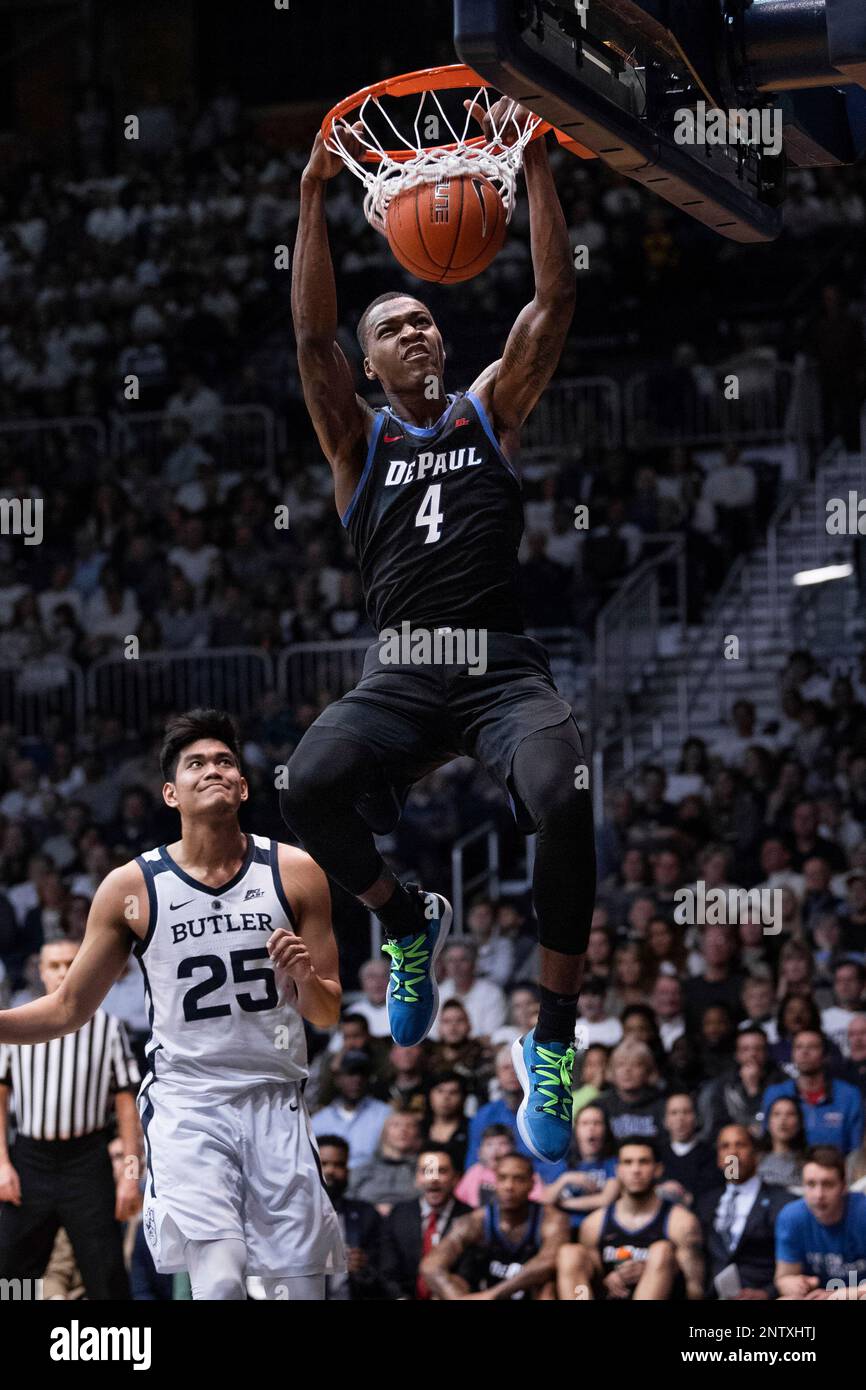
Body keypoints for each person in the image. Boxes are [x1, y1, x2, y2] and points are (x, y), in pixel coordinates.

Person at [283, 98, 596, 1164]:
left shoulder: (489, 409)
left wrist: (541, 172)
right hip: (404, 670)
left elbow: (552, 295)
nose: (414, 329)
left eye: (423, 318)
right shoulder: (350, 437)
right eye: (392, 326)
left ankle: (549, 1042)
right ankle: (400, 917)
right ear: (368, 365)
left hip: (501, 666)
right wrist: (312, 192)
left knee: (563, 798)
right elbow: (307, 333)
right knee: (307, 781)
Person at [0, 709, 345, 1300]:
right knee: (220, 1283)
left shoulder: (296, 872)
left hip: (276, 1101)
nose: (213, 769)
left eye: (225, 761)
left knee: (300, 1293)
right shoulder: (132, 887)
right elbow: (66, 1010)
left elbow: (328, 1011)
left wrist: (304, 978)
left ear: (242, 786)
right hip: (190, 1106)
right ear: (170, 792)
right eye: (196, 763)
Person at [0, 940, 140, 1300]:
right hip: (31, 1158)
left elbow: (127, 1101)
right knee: (12, 1273)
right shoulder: (14, 1025)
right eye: (55, 965)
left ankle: (116, 1349)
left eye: (70, 964)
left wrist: (130, 1174)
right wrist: (1, 1163)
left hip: (86, 1159)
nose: (63, 972)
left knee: (106, 1271)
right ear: (40, 971)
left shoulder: (108, 1027)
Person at [557, 1138, 704, 1300]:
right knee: (569, 1254)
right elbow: (592, 1279)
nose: (635, 1170)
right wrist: (607, 1281)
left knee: (662, 1251)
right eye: (628, 1162)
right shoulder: (594, 1224)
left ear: (658, 1169)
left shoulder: (682, 1223)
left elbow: (695, 1290)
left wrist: (652, 1271)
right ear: (618, 1170)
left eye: (644, 1162)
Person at [421, 1152, 569, 1299]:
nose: (509, 1186)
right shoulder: (476, 1221)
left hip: (526, 1294)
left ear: (531, 1184)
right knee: (449, 1284)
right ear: (494, 1183)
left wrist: (492, 1295)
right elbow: (430, 1266)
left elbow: (548, 1263)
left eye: (518, 1179)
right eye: (502, 1178)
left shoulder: (551, 1219)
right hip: (484, 1293)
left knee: (547, 1288)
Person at [697, 1124, 797, 1300]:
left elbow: (796, 1261)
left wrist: (768, 1293)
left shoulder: (783, 1202)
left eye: (740, 1145)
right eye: (725, 1147)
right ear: (719, 1160)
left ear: (756, 1155)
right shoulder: (706, 1202)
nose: (733, 1153)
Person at [379, 1146, 471, 1300]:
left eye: (441, 1171)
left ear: (456, 1178)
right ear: (416, 1178)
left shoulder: (470, 1217)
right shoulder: (399, 1214)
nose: (433, 1178)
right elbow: (387, 1271)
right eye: (425, 1171)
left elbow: (469, 1274)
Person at [775, 1146, 866, 1298]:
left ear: (844, 1187)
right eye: (811, 1184)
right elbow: (783, 1278)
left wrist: (837, 1295)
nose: (819, 1195)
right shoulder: (791, 1217)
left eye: (828, 1184)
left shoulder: (862, 1211)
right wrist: (794, 1284)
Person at [761, 1029, 864, 1156]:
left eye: (812, 1047)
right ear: (792, 1054)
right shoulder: (774, 1093)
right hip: (785, 1170)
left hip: (837, 1171)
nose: (804, 1052)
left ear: (825, 1055)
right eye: (799, 1047)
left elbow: (856, 1149)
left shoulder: (849, 1095)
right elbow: (766, 1142)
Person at [318, 1135, 384, 1301]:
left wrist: (363, 1266)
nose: (330, 1171)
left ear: (348, 1171)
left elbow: (384, 1272)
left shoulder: (367, 1215)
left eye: (339, 1165)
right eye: (323, 1164)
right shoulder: (289, 1216)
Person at [699, 1025, 782, 1141]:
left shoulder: (781, 1083)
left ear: (767, 1052)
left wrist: (753, 1090)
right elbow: (717, 1127)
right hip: (735, 1148)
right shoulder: (722, 1087)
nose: (752, 1054)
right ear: (737, 1054)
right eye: (745, 1049)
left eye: (758, 1048)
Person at [542, 1102, 619, 1227]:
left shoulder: (613, 1163)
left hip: (600, 1227)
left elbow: (606, 1200)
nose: (591, 1128)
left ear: (606, 1129)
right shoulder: (562, 1162)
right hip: (565, 1227)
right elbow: (546, 1199)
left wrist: (565, 1203)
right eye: (585, 1123)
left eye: (597, 1123)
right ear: (576, 1130)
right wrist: (566, 1179)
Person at [312, 1050, 391, 1169]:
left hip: (370, 1181)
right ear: (338, 1079)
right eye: (350, 1073)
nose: (356, 1080)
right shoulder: (319, 1120)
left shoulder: (385, 1115)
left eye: (362, 1074)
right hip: (329, 1182)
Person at [348, 1109, 422, 1217]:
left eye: (410, 1126)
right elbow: (347, 1199)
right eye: (396, 1125)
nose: (403, 1130)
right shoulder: (363, 1169)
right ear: (384, 1133)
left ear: (418, 1134)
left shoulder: (424, 1170)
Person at [432, 941, 506, 1042]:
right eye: (451, 960)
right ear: (444, 965)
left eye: (463, 960)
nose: (456, 965)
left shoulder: (492, 993)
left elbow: (491, 1035)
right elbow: (433, 1035)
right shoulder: (438, 993)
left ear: (474, 964)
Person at [457, 1124, 545, 1208]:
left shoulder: (523, 1172)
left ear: (513, 1149)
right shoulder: (474, 1172)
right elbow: (459, 1201)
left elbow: (538, 1201)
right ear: (479, 1151)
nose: (495, 1149)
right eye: (489, 1144)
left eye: (502, 1144)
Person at [597, 1039, 666, 1142]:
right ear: (612, 1070)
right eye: (620, 1065)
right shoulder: (600, 1106)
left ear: (648, 1070)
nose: (627, 1070)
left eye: (635, 1064)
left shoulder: (663, 1106)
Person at [658, 1092, 719, 1205]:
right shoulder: (656, 1154)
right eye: (674, 1113)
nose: (680, 1118)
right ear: (665, 1121)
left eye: (686, 1112)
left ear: (696, 1118)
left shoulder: (711, 1155)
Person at [421, 1071, 469, 1172]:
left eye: (453, 1092)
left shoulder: (471, 1128)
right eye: (440, 1091)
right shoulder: (419, 1128)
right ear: (430, 1095)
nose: (446, 1098)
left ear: (462, 1098)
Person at [758, 1095, 807, 1190]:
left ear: (800, 1122)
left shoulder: (809, 1162)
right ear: (767, 1123)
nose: (783, 1120)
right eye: (776, 1114)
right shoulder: (754, 1161)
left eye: (790, 1114)